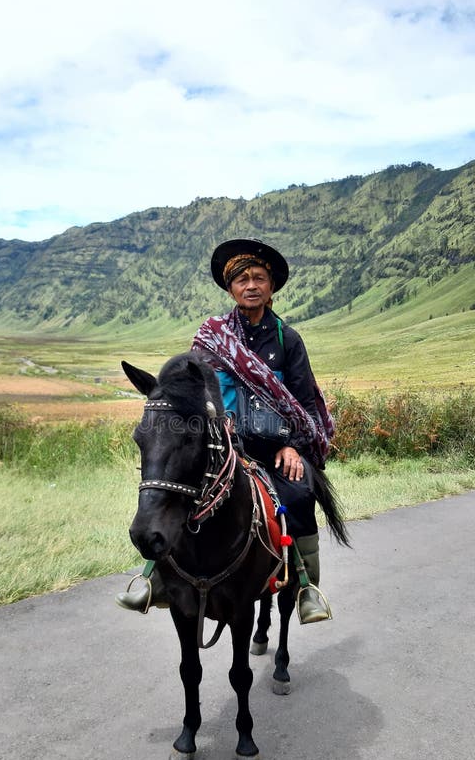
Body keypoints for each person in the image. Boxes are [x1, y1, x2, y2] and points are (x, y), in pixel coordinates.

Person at [116, 238, 335, 623]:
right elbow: (189, 395)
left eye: (259, 278)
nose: (251, 285)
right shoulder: (211, 338)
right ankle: (157, 579)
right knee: (182, 493)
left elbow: (306, 405)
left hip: (274, 449)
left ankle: (305, 587)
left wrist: (294, 447)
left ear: (271, 287)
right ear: (230, 287)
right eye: (242, 279)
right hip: (225, 447)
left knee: (299, 496)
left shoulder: (288, 340)